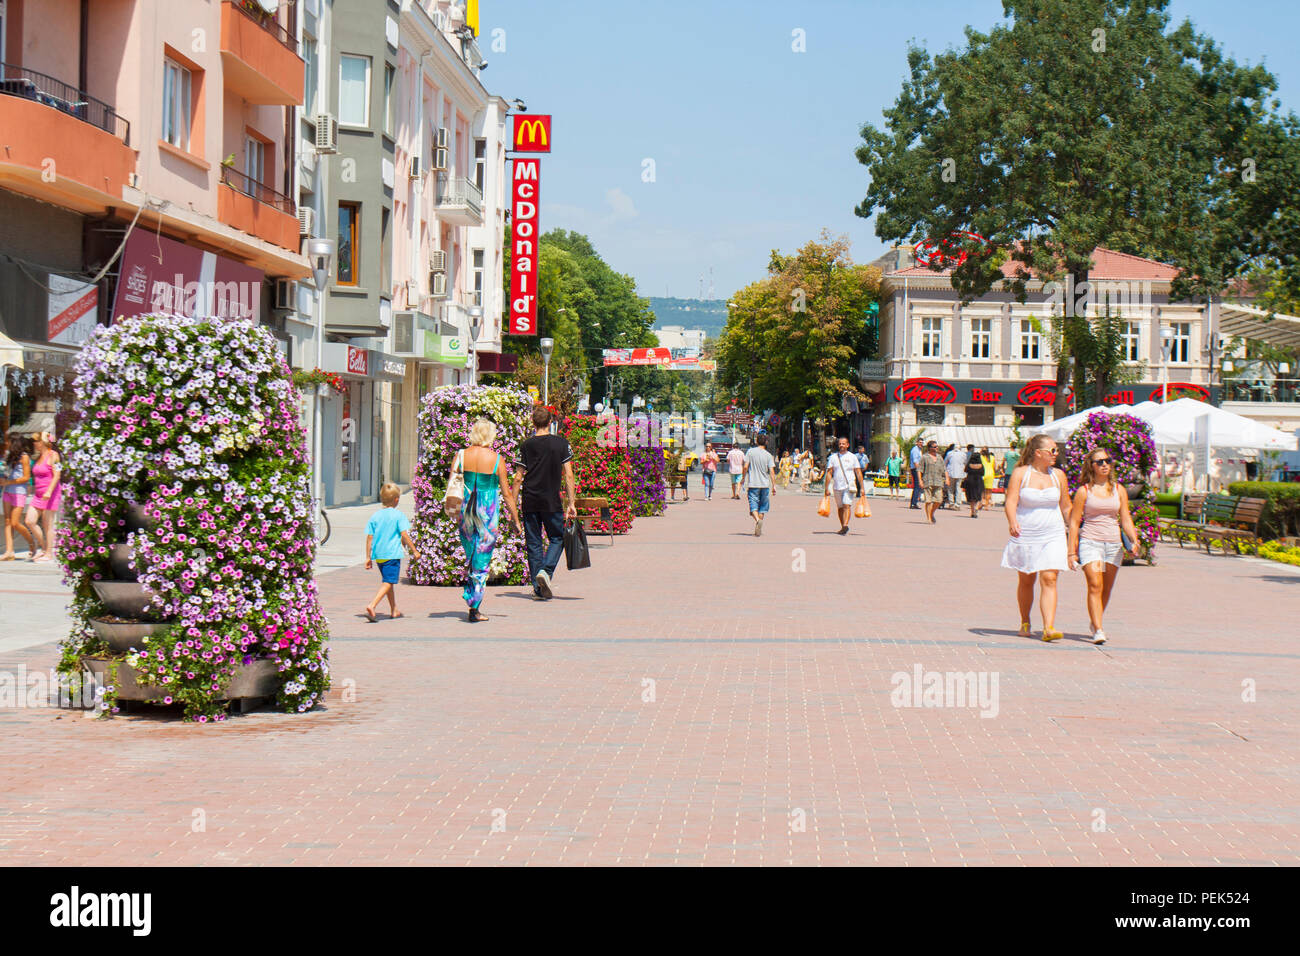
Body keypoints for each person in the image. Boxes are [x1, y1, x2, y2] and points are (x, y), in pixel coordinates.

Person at [1001, 434, 1072, 641]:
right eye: (1052, 450)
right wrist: (1012, 521)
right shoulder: (1021, 473)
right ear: (1038, 453)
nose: (1056, 454)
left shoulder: (1058, 475)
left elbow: (1066, 506)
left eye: (1057, 450)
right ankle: (1025, 621)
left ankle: (1048, 627)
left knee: (1050, 577)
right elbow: (1011, 501)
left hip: (1053, 533)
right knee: (1026, 579)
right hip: (1027, 532)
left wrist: (1075, 527)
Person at [1068, 447, 1140, 645]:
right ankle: (1098, 629)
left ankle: (1095, 620)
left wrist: (1133, 539)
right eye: (1099, 462)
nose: (1105, 464)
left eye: (1107, 460)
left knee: (1106, 588)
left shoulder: (1119, 490)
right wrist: (1071, 552)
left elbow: (1125, 518)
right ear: (1091, 466)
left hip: (1113, 544)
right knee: (1095, 584)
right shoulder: (1084, 492)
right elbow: (1074, 522)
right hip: (1091, 542)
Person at [457, 418, 523, 622]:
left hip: (466, 508)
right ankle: (474, 605)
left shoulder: (461, 455)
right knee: (482, 559)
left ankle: (472, 597)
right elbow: (507, 493)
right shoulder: (496, 459)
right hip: (487, 511)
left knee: (472, 554)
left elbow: (453, 481)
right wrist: (515, 519)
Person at [516, 405, 578, 600]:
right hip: (551, 499)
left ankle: (537, 587)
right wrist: (571, 503)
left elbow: (518, 477)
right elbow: (568, 474)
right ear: (550, 423)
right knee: (557, 537)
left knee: (534, 543)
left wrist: (513, 502)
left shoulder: (526, 445)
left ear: (533, 422)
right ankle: (546, 571)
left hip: (530, 499)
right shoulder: (561, 444)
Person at [363, 483, 420, 622]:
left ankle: (394, 609)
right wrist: (414, 550)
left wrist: (368, 557)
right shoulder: (398, 515)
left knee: (388, 582)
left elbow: (369, 537)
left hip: (379, 556)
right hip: (392, 554)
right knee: (388, 581)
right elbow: (404, 535)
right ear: (396, 500)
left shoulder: (375, 516)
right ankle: (372, 605)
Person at [24, 431, 61, 563]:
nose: (34, 444)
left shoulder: (54, 455)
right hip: (38, 494)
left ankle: (49, 553)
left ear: (43, 442)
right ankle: (44, 547)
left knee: (47, 523)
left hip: (50, 493)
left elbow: (57, 475)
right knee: (30, 520)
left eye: (36, 441)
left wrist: (49, 491)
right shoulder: (39, 457)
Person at [2, 434, 34, 560]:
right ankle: (9, 551)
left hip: (19, 491)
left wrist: (8, 482)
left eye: (9, 441)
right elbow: (8, 472)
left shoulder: (24, 457)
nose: (7, 444)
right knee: (8, 521)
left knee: (15, 523)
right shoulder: (10, 456)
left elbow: (26, 477)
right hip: (8, 491)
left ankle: (31, 543)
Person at [824, 436, 865, 535]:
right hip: (837, 486)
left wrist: (862, 487)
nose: (841, 445)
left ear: (847, 445)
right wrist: (826, 488)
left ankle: (846, 525)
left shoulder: (852, 457)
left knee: (847, 505)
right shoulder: (833, 457)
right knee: (840, 507)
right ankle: (843, 526)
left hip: (849, 485)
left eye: (843, 443)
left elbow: (858, 472)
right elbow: (829, 473)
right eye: (840, 444)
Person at [741, 434, 776, 536]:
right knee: (763, 507)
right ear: (766, 442)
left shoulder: (750, 452)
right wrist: (774, 485)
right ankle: (758, 527)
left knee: (753, 506)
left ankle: (757, 521)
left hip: (753, 484)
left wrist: (743, 478)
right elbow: (772, 471)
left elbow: (745, 466)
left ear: (756, 441)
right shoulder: (768, 455)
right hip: (765, 484)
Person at [919, 440, 947, 524]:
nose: (937, 448)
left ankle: (931, 513)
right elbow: (919, 470)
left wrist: (947, 479)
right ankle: (928, 518)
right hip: (927, 480)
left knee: (939, 500)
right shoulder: (924, 457)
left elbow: (944, 469)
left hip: (938, 481)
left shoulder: (940, 457)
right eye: (935, 447)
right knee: (928, 501)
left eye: (937, 446)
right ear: (930, 448)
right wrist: (920, 480)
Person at [962, 443, 985, 518]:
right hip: (978, 481)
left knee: (971, 497)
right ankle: (976, 509)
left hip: (970, 481)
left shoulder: (969, 465)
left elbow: (965, 470)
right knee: (978, 496)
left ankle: (972, 511)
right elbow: (982, 473)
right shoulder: (981, 465)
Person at [944, 442, 966, 509]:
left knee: (950, 488)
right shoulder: (963, 454)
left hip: (951, 473)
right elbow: (965, 462)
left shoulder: (949, 453)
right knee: (958, 489)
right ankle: (957, 504)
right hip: (960, 473)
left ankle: (951, 503)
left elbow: (945, 462)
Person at [908, 438, 924, 509]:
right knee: (917, 486)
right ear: (916, 443)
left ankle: (914, 502)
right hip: (915, 469)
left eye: (922, 443)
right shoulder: (915, 450)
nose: (921, 444)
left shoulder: (919, 450)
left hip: (917, 469)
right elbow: (915, 462)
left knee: (918, 487)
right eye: (920, 442)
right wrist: (919, 470)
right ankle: (913, 503)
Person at [980, 446, 997, 511]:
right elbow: (994, 467)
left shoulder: (981, 457)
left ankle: (981, 503)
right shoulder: (992, 457)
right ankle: (986, 505)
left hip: (983, 474)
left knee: (981, 490)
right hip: (990, 474)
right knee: (988, 491)